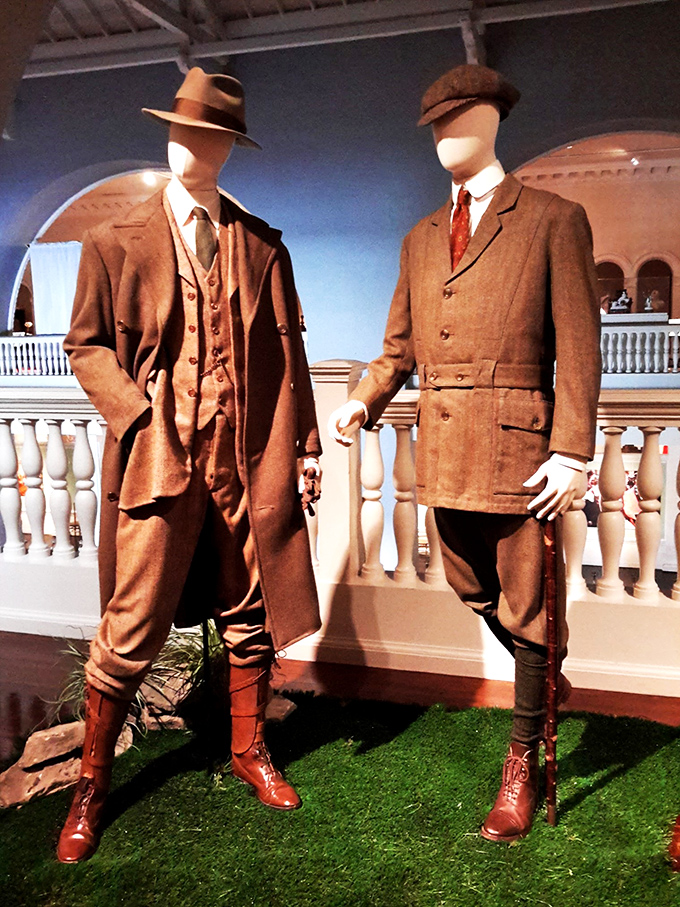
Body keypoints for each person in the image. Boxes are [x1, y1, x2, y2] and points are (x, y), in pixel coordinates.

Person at [328, 64, 601, 843]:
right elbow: (398, 348)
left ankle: (522, 758)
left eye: (459, 119)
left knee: (530, 605)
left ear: (492, 120)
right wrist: (363, 398)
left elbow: (580, 348)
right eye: (436, 125)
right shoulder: (418, 238)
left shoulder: (553, 218)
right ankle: (546, 673)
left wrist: (573, 450)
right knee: (468, 582)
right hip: (443, 451)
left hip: (521, 452)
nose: (446, 135)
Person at [58, 68, 322, 863]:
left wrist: (303, 444)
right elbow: (85, 345)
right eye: (178, 127)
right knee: (130, 626)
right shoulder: (113, 242)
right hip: (159, 458)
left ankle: (249, 749)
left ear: (226, 148)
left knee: (250, 608)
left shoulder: (261, 244)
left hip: (244, 458)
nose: (187, 142)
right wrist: (137, 416)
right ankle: (91, 784)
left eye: (206, 133)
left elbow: (288, 350)